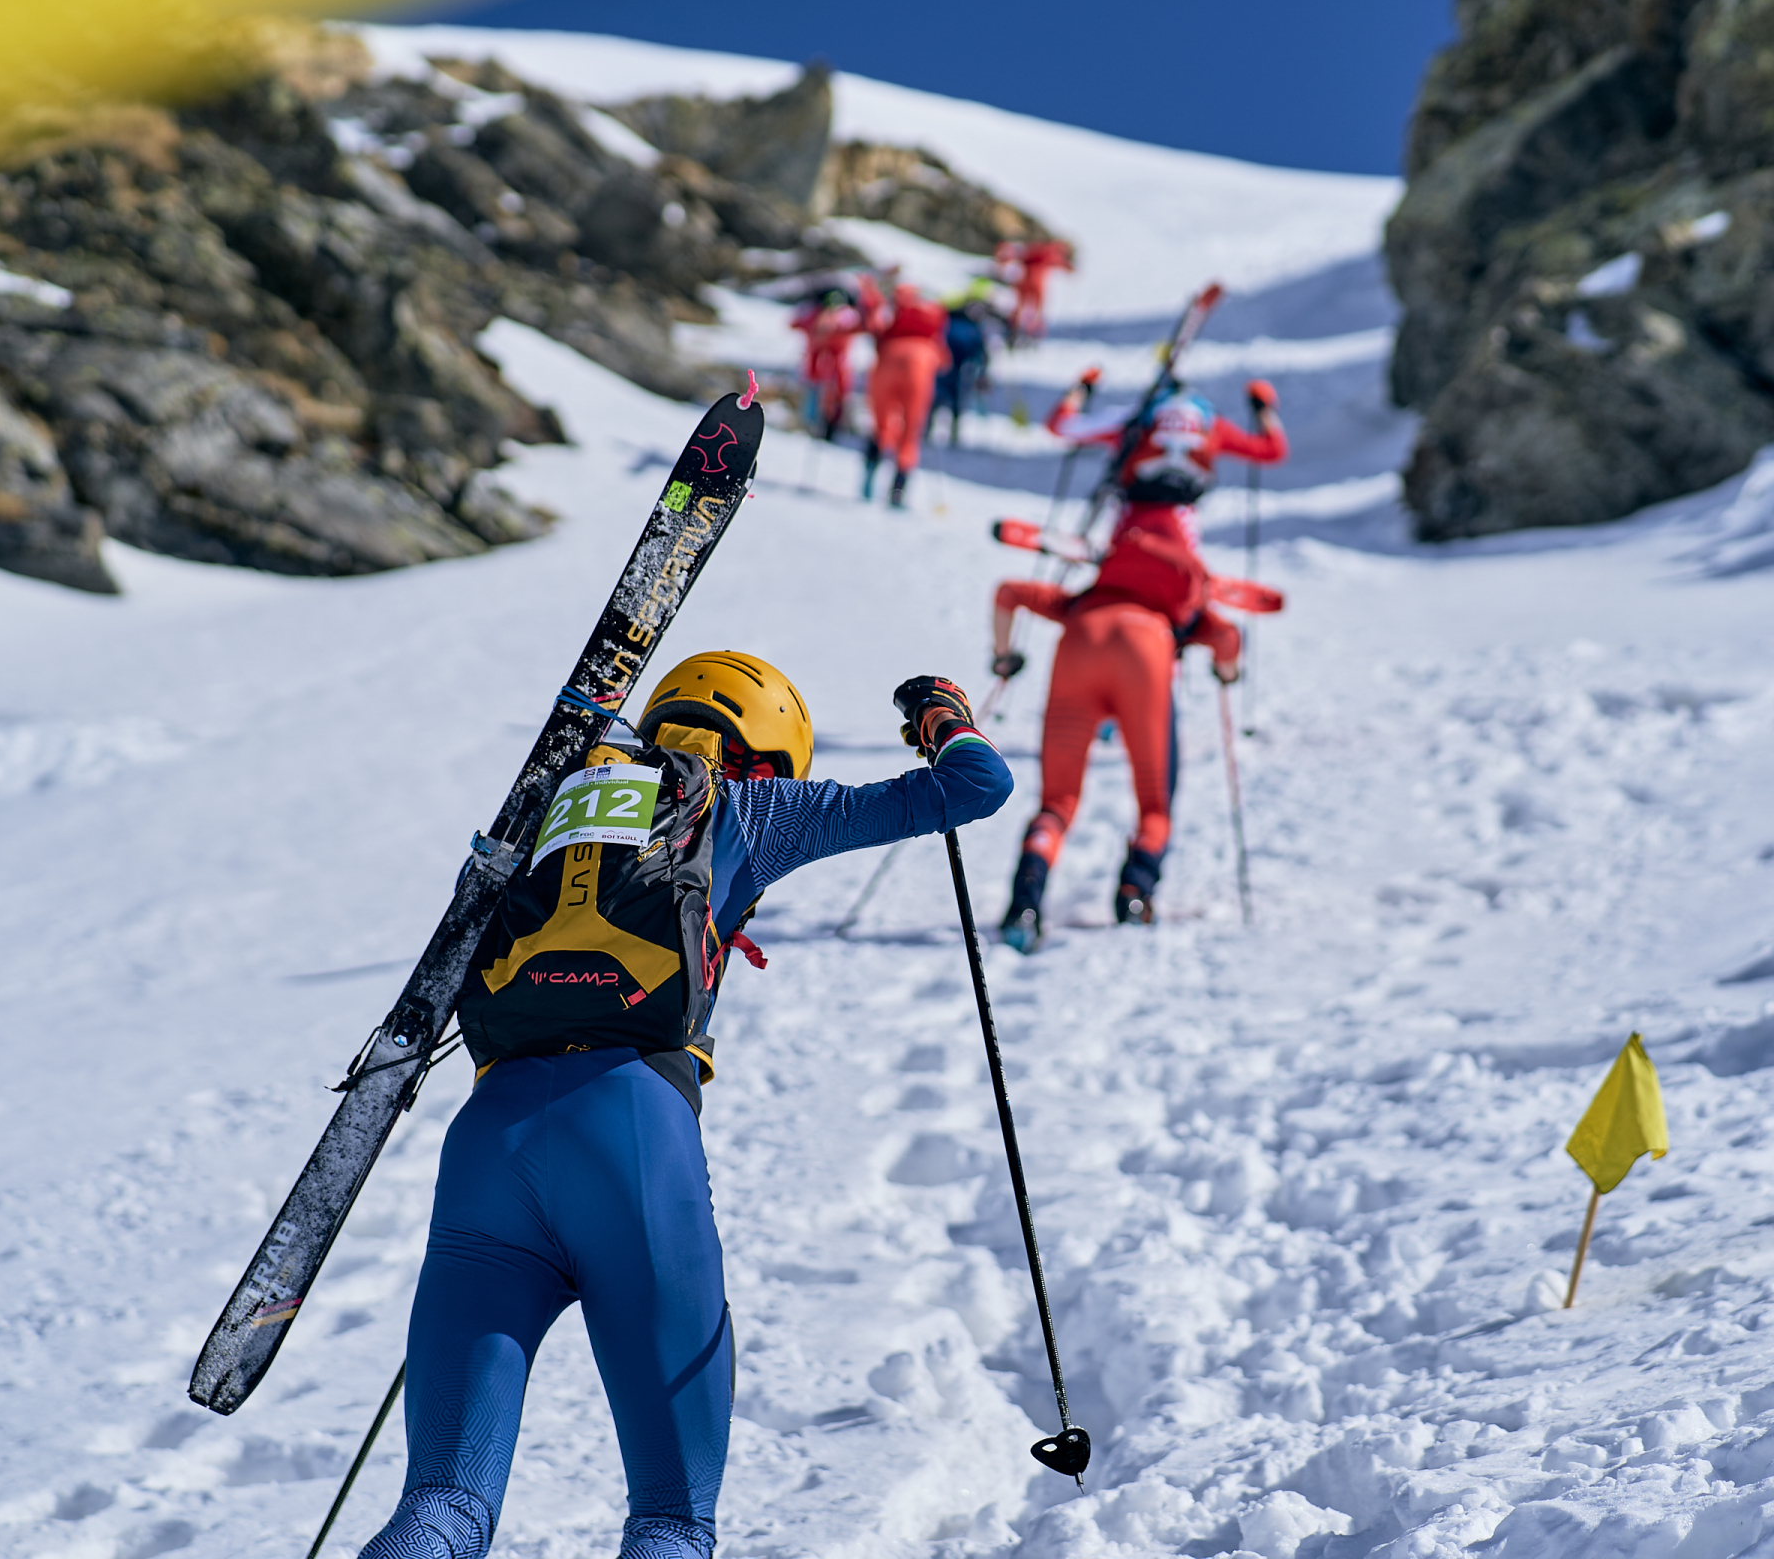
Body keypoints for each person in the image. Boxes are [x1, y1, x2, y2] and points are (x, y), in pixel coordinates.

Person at [359, 656, 1011, 1559]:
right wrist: (941, 712)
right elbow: (978, 788)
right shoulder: (752, 807)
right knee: (669, 1518)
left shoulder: (555, 796)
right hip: (632, 1133)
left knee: (443, 1505)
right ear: (769, 748)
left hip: (488, 1142)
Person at [986, 513, 1240, 947]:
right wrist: (1226, 672)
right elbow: (1229, 636)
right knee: (1154, 803)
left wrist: (1004, 655)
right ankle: (1134, 895)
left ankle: (1025, 904)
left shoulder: (1083, 599)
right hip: (1147, 653)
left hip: (1079, 644)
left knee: (1058, 800)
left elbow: (1009, 592)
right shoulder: (1182, 612)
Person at [1046, 372, 1285, 517]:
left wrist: (1080, 389)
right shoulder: (1213, 426)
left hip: (1132, 513)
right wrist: (1263, 408)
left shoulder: (1134, 419)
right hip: (1183, 518)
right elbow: (1272, 450)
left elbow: (1060, 426)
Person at [860, 278, 948, 508]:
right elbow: (945, 359)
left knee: (881, 424)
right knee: (911, 429)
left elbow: (874, 326)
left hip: (887, 361)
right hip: (921, 364)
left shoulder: (893, 307)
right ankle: (898, 489)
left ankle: (868, 479)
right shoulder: (935, 313)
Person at [787, 286, 862, 441]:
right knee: (814, 401)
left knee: (832, 402)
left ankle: (829, 428)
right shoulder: (816, 315)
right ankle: (815, 427)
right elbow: (794, 323)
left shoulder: (844, 317)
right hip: (818, 371)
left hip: (834, 371)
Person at [933, 285, 997, 449]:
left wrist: (982, 371)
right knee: (947, 396)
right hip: (951, 366)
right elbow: (981, 353)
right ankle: (941, 430)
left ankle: (945, 431)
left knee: (945, 396)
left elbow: (981, 353)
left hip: (952, 366)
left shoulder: (951, 321)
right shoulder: (971, 326)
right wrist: (982, 373)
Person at [994, 237, 1075, 344]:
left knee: (1022, 307)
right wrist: (1068, 267)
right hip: (1035, 285)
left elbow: (1014, 255)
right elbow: (1060, 262)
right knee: (1035, 309)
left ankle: (1016, 329)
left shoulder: (1033, 250)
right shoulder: (1049, 252)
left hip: (1023, 283)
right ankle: (1030, 332)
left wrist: (1003, 261)